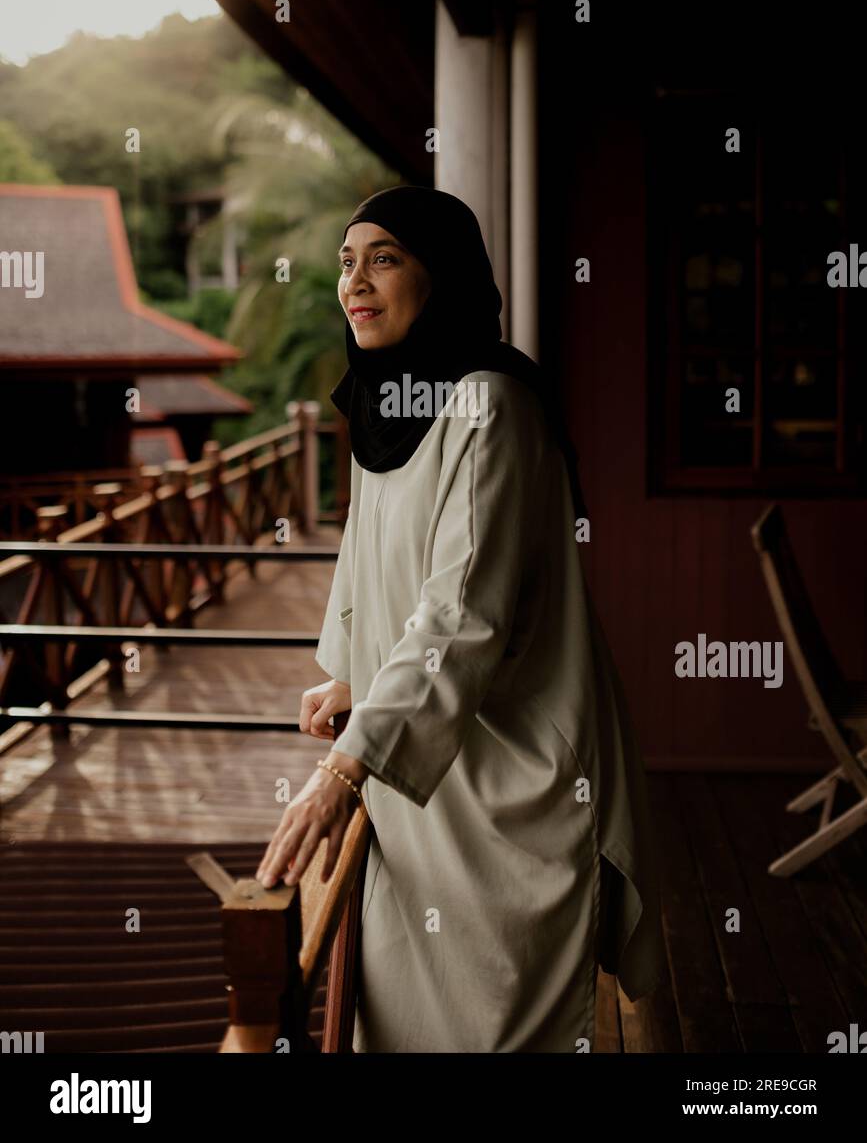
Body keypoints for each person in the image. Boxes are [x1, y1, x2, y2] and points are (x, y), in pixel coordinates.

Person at [257, 185, 666, 1052]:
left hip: (507, 784)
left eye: (385, 258)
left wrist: (344, 770)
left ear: (440, 278)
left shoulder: (489, 403)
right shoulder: (384, 396)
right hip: (419, 770)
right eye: (345, 260)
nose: (354, 282)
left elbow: (460, 615)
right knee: (399, 1012)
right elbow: (373, 567)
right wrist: (353, 678)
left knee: (494, 1024)